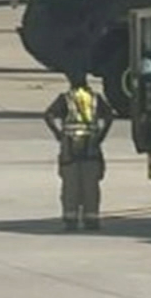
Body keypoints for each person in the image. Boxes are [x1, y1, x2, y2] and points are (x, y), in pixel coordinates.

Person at [43, 71, 114, 231]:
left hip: (70, 146)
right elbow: (109, 116)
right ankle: (92, 219)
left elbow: (48, 115)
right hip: (91, 146)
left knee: (71, 184)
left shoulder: (66, 98)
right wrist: (100, 136)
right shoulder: (95, 98)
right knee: (90, 185)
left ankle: (71, 220)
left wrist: (59, 134)